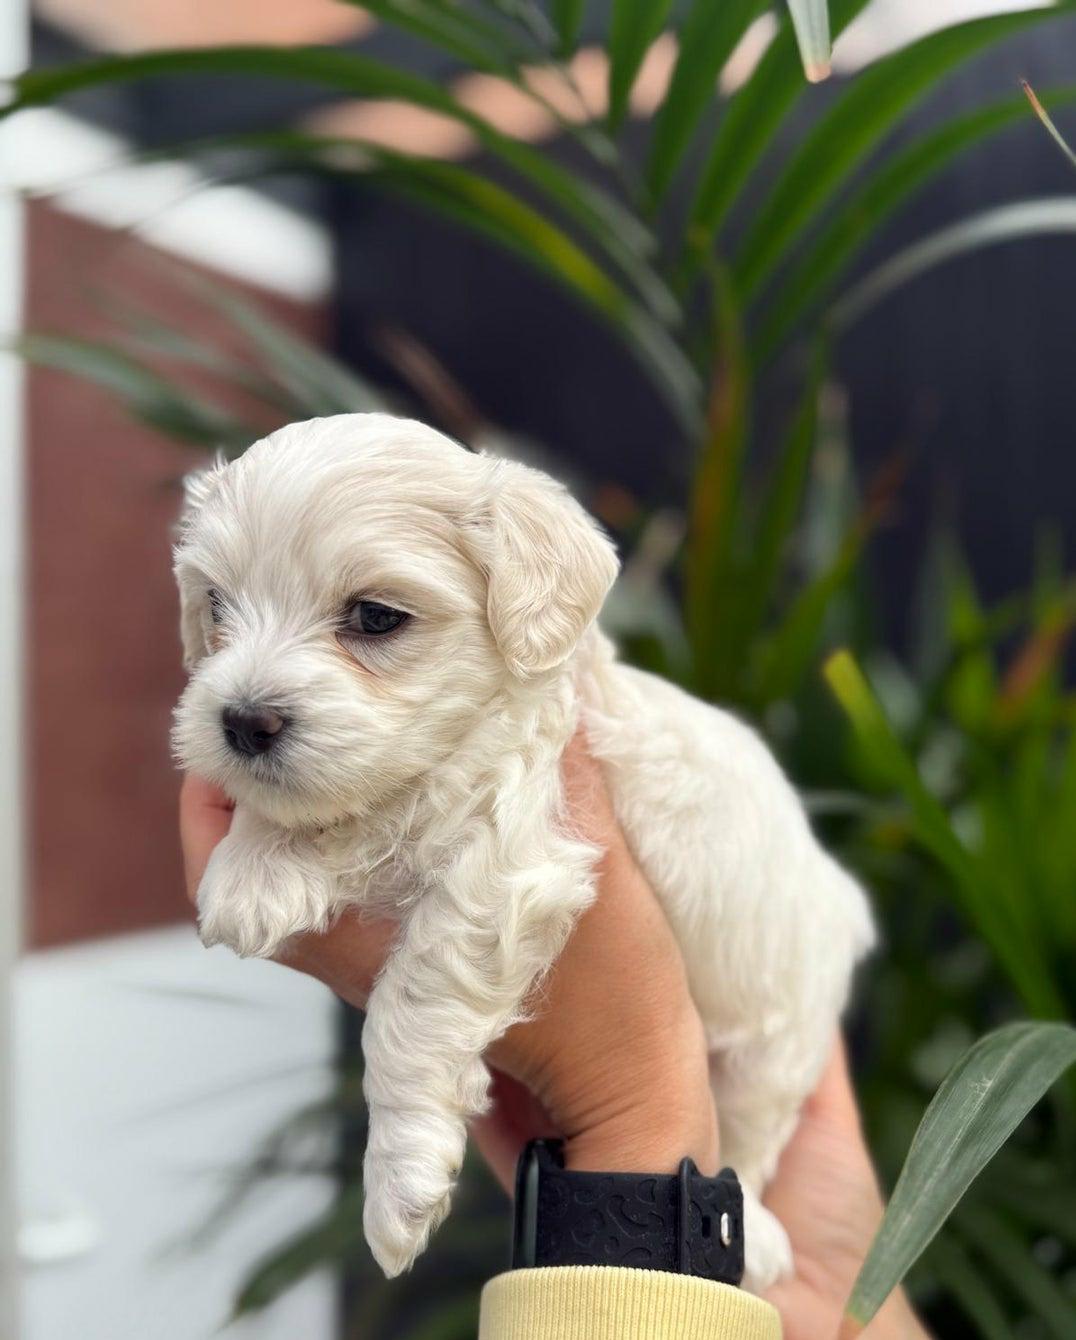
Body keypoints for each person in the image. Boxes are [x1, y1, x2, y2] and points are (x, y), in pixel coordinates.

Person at [179, 735, 930, 1340]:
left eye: (374, 620)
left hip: (747, 1032)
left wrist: (635, 1112)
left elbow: (532, 869)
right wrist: (844, 1303)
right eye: (221, 607)